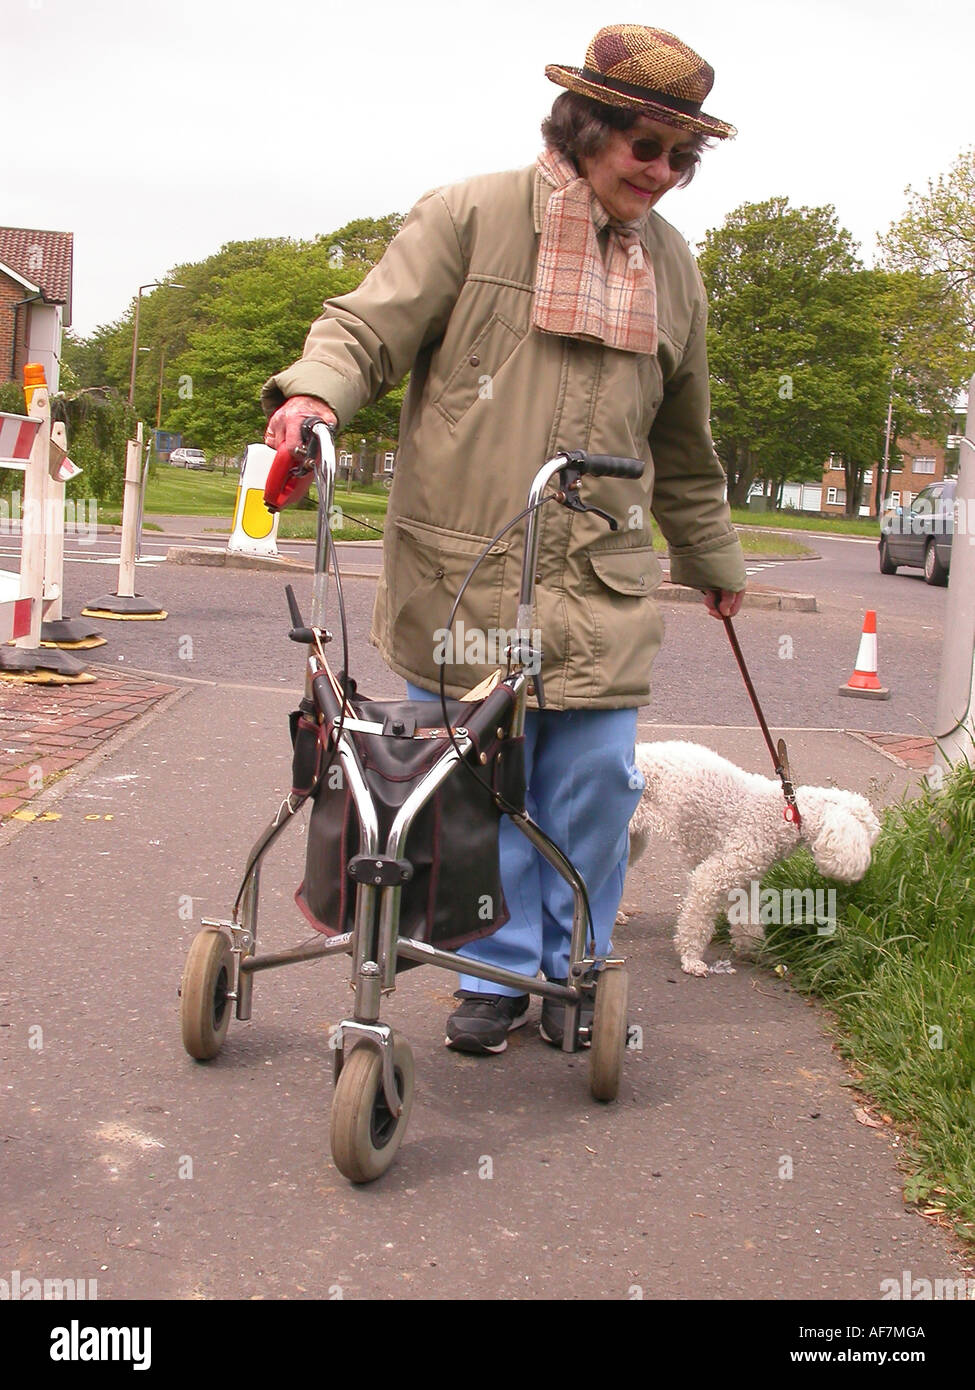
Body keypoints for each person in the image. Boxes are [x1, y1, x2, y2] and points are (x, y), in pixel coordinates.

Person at [262, 23, 747, 1055]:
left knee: (596, 782)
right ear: (587, 128)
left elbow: (685, 443)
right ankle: (492, 968)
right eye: (644, 147)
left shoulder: (674, 268)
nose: (660, 174)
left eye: (680, 158)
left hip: (597, 583)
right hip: (468, 569)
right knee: (482, 788)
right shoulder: (470, 216)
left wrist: (714, 561)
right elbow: (363, 328)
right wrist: (311, 399)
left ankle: (567, 968)